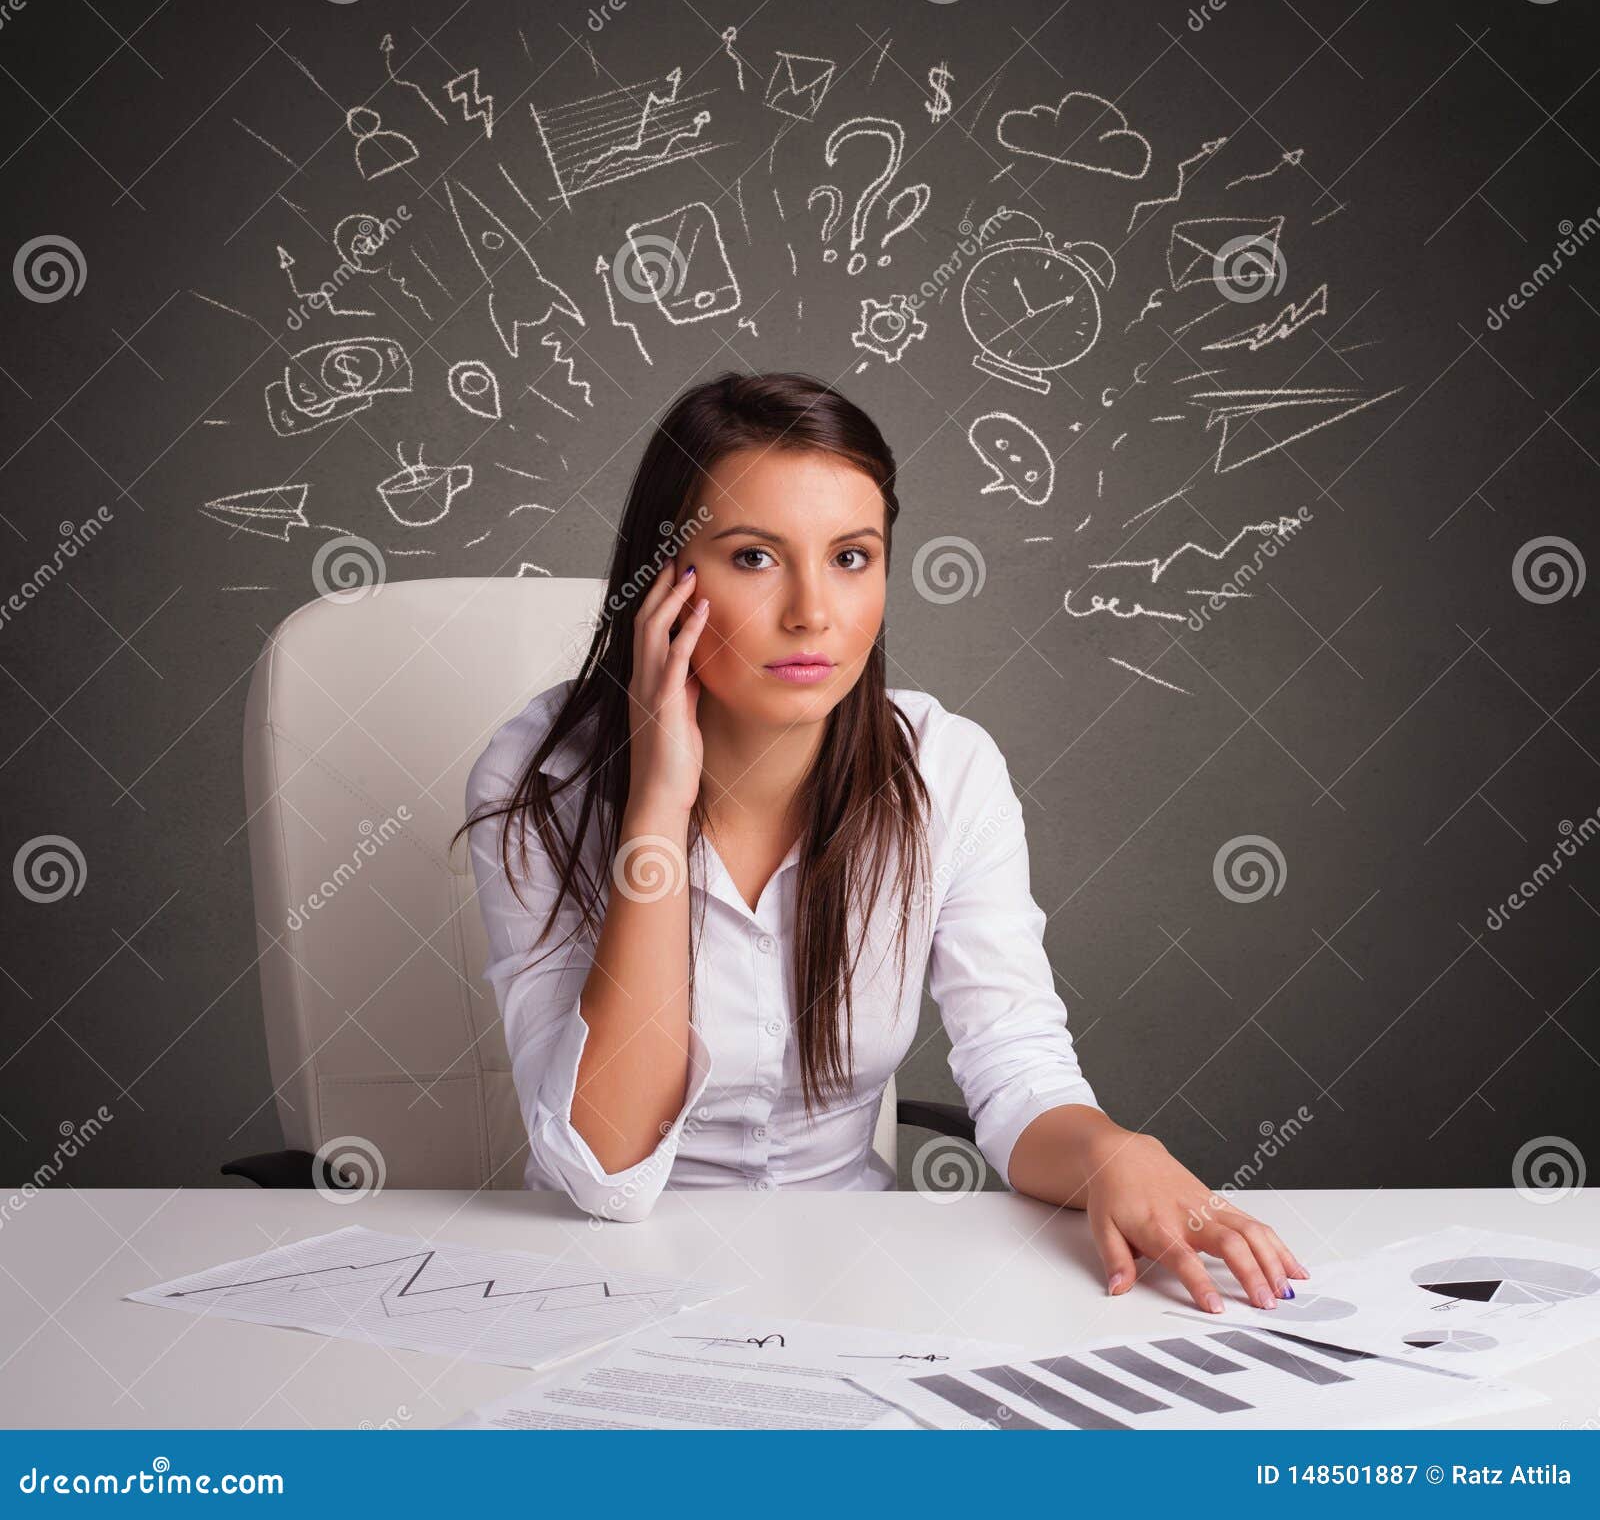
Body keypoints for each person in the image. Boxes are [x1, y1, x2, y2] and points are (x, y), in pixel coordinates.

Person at [458, 371, 1308, 1315]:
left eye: (852, 557)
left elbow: (1017, 1069)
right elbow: (605, 1175)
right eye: (753, 557)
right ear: (663, 579)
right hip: (599, 1290)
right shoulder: (540, 782)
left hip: (856, 1288)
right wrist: (659, 803)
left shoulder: (946, 770)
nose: (813, 612)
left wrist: (1116, 1150)